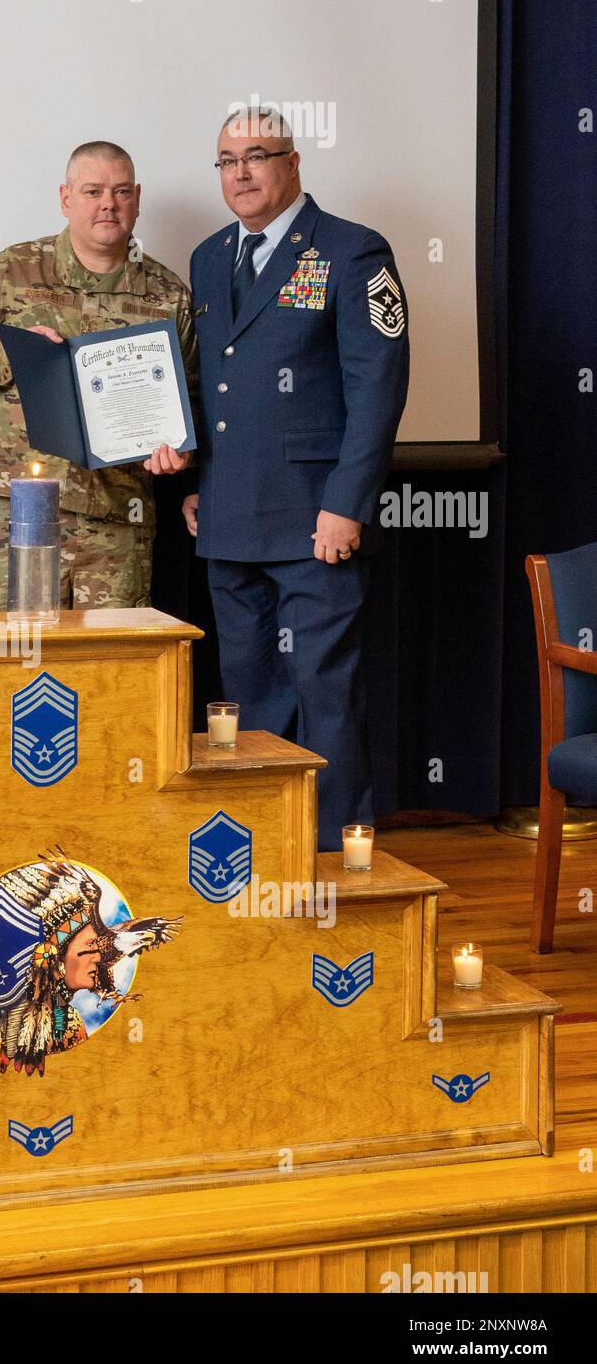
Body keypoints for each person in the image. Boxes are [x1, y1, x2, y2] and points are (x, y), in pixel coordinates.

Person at [183, 107, 410, 849]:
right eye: (225, 160)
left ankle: (340, 847)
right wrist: (198, 482)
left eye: (255, 155)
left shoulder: (352, 252)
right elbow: (217, 385)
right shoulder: (210, 256)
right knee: (250, 692)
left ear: (292, 163)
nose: (239, 173)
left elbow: (377, 390)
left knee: (324, 690)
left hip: (317, 520)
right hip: (228, 517)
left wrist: (346, 504)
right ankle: (267, 836)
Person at [0, 141, 194, 612]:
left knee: (110, 672)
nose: (108, 203)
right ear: (66, 199)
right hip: (15, 510)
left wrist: (181, 456)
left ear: (138, 198)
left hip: (116, 521)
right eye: (93, 191)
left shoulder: (169, 296)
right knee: (2, 663)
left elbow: (194, 398)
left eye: (122, 191)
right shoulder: (13, 271)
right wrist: (9, 350)